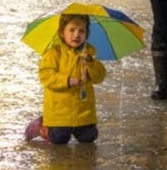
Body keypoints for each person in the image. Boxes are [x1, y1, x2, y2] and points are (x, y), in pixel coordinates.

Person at [25, 14, 107, 144]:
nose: (76, 35)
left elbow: (99, 77)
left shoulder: (89, 53)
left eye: (81, 31)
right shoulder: (53, 53)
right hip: (59, 111)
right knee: (59, 139)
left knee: (89, 137)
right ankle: (43, 127)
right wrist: (67, 80)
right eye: (72, 30)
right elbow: (46, 76)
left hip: (83, 110)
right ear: (62, 33)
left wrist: (91, 63)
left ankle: (80, 129)